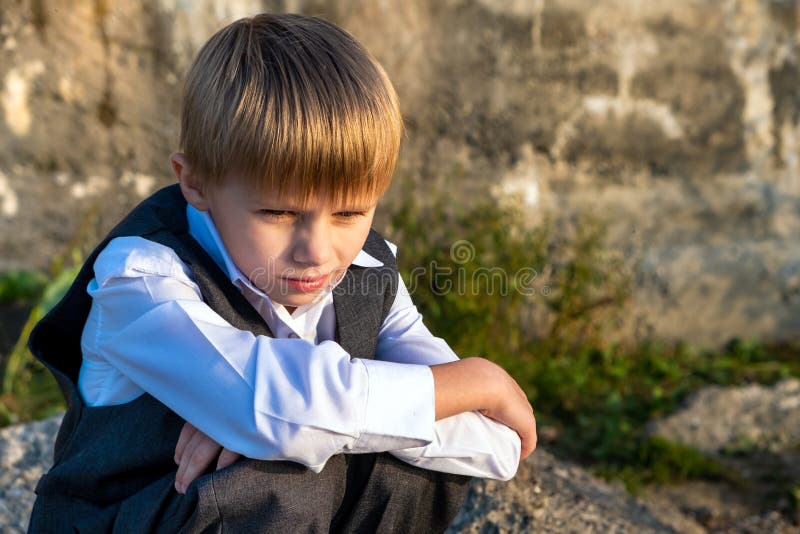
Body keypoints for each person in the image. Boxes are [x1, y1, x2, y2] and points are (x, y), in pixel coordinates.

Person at [27, 13, 536, 533]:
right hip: (134, 520)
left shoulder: (366, 272)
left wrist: (296, 423)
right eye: (279, 213)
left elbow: (495, 443)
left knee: (395, 469)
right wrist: (478, 381)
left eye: (349, 214)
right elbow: (267, 405)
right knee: (277, 471)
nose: (317, 251)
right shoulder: (142, 279)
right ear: (196, 182)